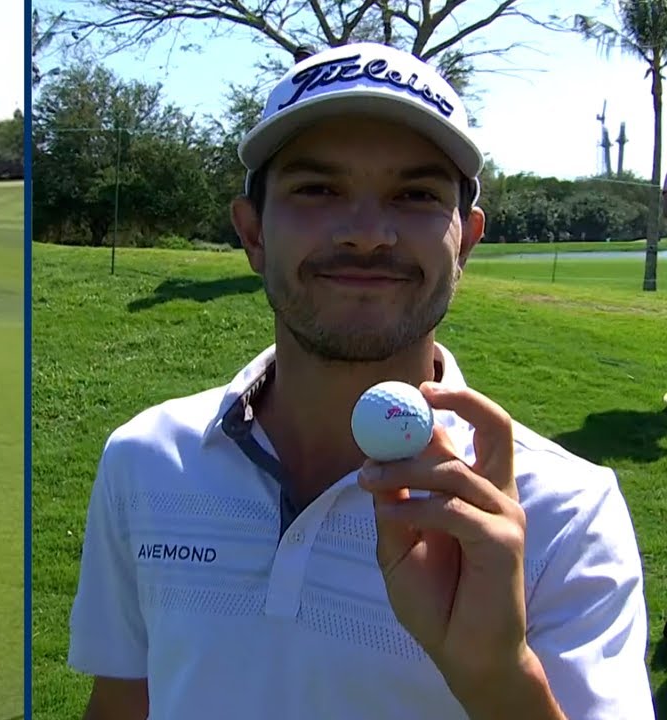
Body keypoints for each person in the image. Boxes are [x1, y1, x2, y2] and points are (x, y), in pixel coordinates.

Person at [66, 42, 653, 719]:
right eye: (317, 189)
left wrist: (497, 675)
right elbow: (121, 703)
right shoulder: (146, 457)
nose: (369, 234)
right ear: (252, 234)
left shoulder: (565, 512)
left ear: (466, 241)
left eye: (415, 195)